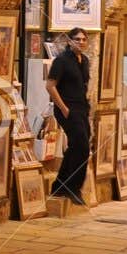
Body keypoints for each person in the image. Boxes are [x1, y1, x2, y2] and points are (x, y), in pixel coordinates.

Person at [45, 27, 92, 202]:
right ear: (69, 41)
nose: (80, 42)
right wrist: (64, 109)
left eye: (83, 39)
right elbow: (50, 86)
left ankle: (59, 186)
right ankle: (73, 188)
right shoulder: (61, 61)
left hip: (81, 109)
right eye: (77, 39)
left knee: (77, 147)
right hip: (67, 109)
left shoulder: (84, 60)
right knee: (82, 147)